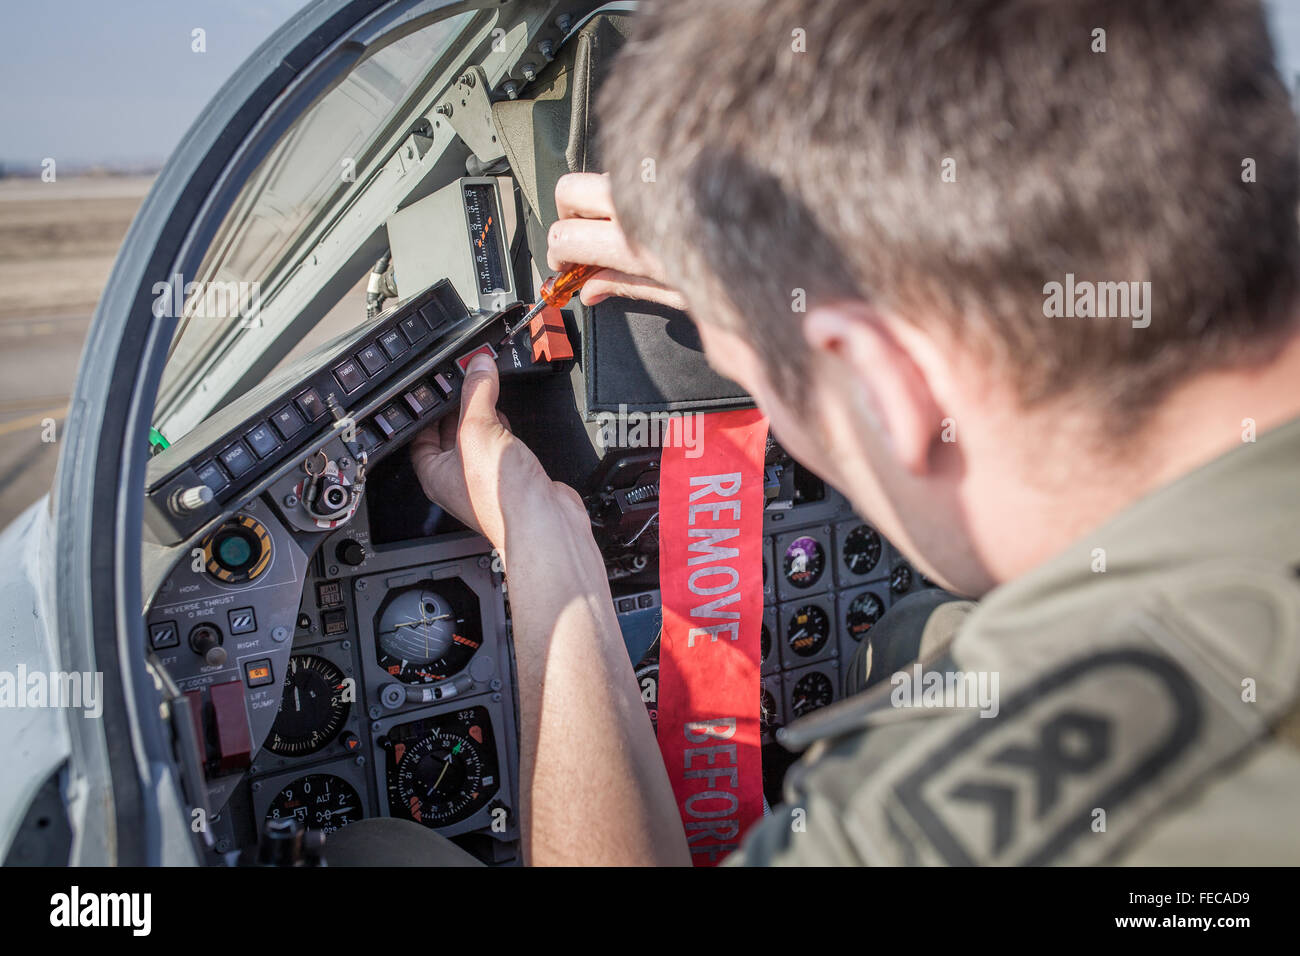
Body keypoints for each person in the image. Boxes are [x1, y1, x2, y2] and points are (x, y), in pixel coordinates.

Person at [410, 0, 1300, 865]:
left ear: (888, 389)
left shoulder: (916, 830)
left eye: (756, 373)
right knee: (917, 635)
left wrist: (545, 546)